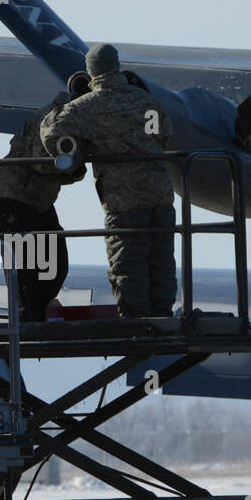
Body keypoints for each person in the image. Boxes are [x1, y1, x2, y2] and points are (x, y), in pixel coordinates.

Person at [40, 44, 176, 318]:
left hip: (123, 198)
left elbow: (52, 135)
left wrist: (67, 109)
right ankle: (162, 316)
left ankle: (137, 320)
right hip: (160, 194)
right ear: (117, 66)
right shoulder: (147, 102)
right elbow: (165, 135)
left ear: (91, 73)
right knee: (160, 259)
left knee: (127, 260)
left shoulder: (88, 106)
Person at [0, 73, 90, 321]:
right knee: (24, 267)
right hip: (17, 195)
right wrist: (72, 168)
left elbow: (54, 166)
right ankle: (27, 319)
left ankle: (34, 312)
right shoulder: (57, 119)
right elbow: (41, 161)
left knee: (55, 264)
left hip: (37, 198)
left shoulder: (69, 119)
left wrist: (72, 168)